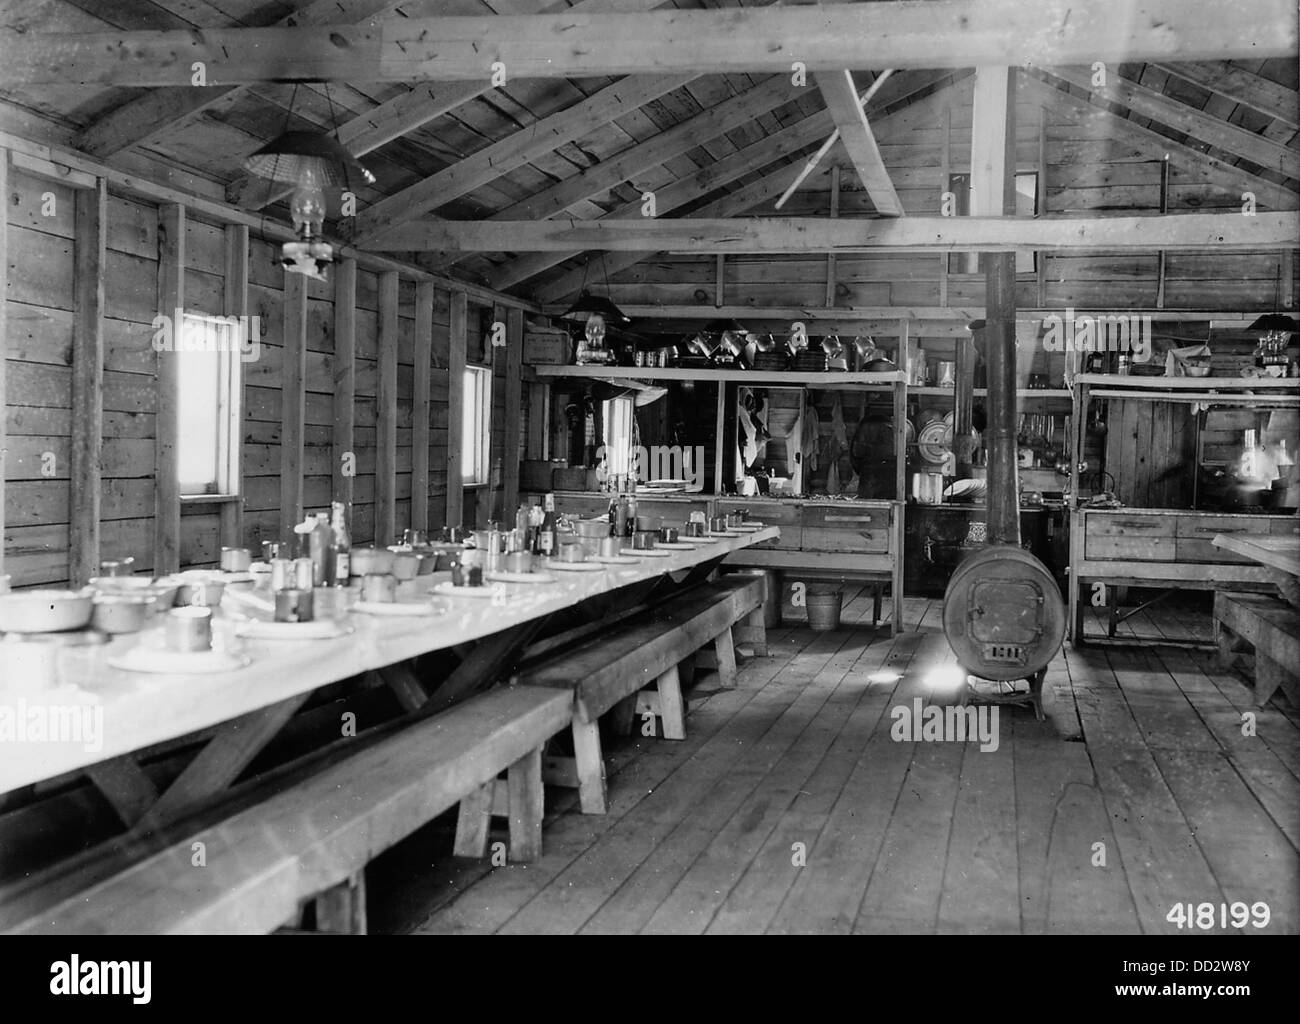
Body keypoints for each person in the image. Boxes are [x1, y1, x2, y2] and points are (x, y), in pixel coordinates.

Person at [850, 413, 898, 499]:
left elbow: (855, 455)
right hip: (890, 479)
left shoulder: (864, 425)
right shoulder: (889, 428)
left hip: (868, 478)